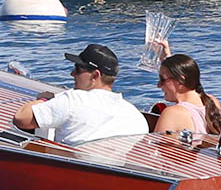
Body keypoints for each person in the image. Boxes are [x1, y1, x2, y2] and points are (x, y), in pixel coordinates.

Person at [12, 44, 148, 145]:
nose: (72, 74)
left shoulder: (73, 100)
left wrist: (44, 99)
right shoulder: (136, 116)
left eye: (78, 69)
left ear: (95, 75)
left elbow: (21, 119)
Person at [154, 53, 221, 136]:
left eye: (162, 80)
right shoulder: (212, 102)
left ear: (180, 80)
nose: (158, 85)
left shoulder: (172, 113)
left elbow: (155, 148)